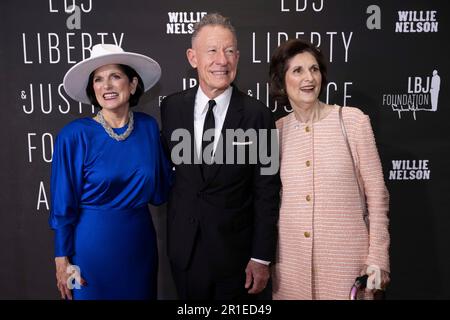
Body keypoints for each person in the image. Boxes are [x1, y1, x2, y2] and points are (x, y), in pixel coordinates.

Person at [160, 13, 280, 299]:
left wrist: (261, 257)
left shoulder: (258, 115)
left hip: (236, 259)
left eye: (229, 51)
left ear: (237, 57)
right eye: (212, 51)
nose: (221, 61)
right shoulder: (172, 108)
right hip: (185, 254)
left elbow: (267, 189)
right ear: (193, 57)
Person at [269, 39, 390, 300]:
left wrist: (378, 259)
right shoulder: (276, 133)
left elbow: (377, 196)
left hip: (349, 270)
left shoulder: (352, 121)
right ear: (282, 80)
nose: (309, 78)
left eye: (314, 69)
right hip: (291, 274)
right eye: (297, 70)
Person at [49, 44, 172, 300]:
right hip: (89, 251)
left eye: (115, 76)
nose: (107, 86)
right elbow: (63, 204)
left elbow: (160, 192)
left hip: (140, 247)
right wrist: (62, 258)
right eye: (98, 79)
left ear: (133, 83)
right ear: (92, 89)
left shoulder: (149, 128)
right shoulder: (75, 135)